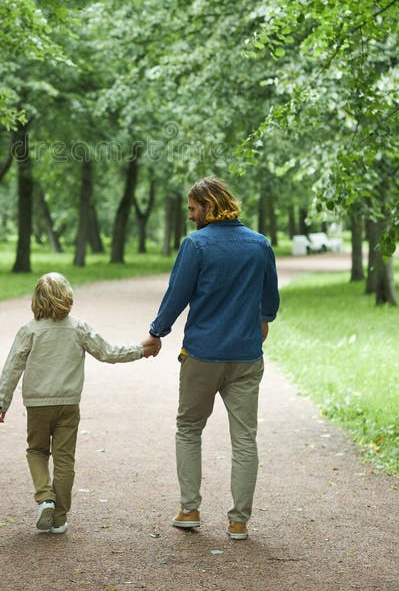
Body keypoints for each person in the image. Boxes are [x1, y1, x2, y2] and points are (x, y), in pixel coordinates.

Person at [143, 176, 279, 541]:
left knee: (189, 429)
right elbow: (271, 297)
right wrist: (263, 320)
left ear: (208, 205)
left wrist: (157, 333)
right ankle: (238, 522)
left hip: (202, 353)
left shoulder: (196, 245)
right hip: (246, 355)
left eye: (192, 208)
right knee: (245, 438)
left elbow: (177, 295)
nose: (189, 216)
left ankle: (190, 509)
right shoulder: (260, 244)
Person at [0, 271, 154, 534]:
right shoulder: (78, 328)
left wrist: (3, 401)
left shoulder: (29, 331)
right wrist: (141, 349)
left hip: (37, 405)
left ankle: (45, 497)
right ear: (67, 297)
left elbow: (12, 367)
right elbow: (108, 352)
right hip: (69, 404)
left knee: (36, 451)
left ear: (36, 300)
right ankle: (59, 517)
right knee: (64, 459)